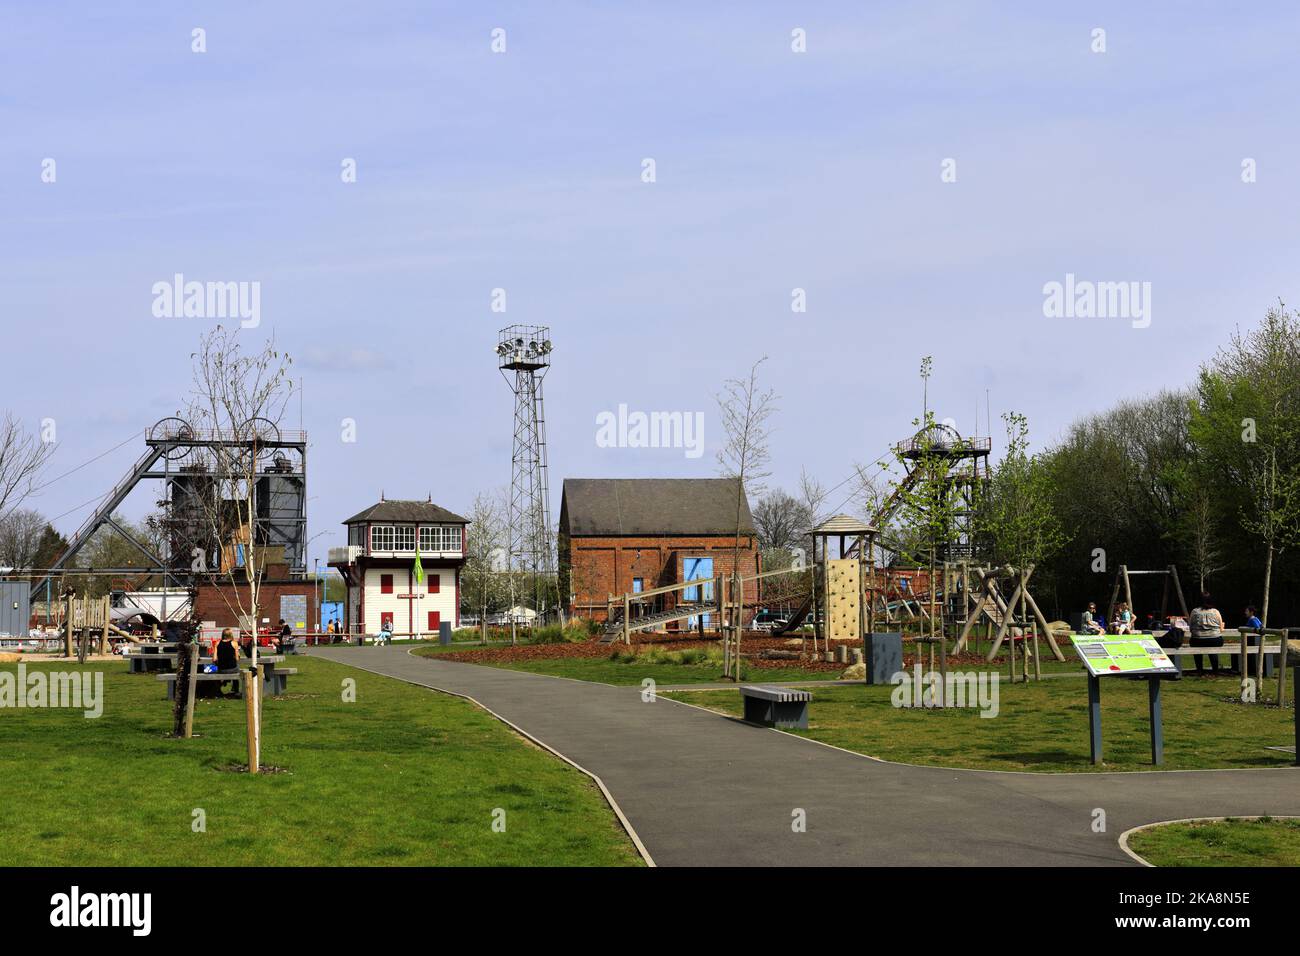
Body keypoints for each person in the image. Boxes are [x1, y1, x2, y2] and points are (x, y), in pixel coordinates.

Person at [1189, 592, 1226, 675]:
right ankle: (1215, 670)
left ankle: (1199, 669)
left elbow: (1190, 627)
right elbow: (1221, 628)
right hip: (1215, 639)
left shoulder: (1194, 611)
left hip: (1198, 639)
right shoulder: (1216, 611)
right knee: (1213, 649)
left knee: (1196, 647)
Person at [215, 628, 242, 697]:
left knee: (217, 671)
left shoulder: (217, 643)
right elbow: (237, 658)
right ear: (231, 635)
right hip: (232, 668)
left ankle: (218, 690)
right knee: (237, 669)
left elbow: (214, 658)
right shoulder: (234, 643)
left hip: (221, 669)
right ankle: (236, 690)